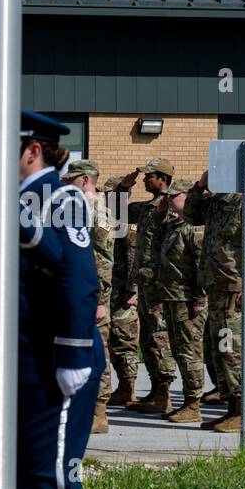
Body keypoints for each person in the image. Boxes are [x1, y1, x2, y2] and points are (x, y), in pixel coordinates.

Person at [14, 112, 104, 489]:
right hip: (25, 356)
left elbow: (77, 277)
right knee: (30, 474)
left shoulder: (62, 199)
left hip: (57, 357)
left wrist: (72, 351)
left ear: (33, 150)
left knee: (51, 474)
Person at [185, 169, 245, 431]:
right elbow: (190, 215)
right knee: (220, 349)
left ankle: (243, 414)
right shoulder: (216, 203)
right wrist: (199, 185)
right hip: (216, 289)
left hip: (236, 293)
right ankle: (232, 409)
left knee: (235, 350)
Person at [119, 157, 177, 414]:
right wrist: (123, 188)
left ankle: (165, 392)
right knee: (148, 336)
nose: (144, 179)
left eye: (149, 176)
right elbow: (119, 212)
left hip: (160, 283)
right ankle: (155, 389)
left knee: (159, 335)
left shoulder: (170, 206)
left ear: (162, 179)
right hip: (145, 282)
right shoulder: (148, 207)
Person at [61, 160, 113, 433]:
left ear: (84, 181)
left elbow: (104, 260)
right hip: (81, 292)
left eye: (70, 181)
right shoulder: (77, 209)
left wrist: (101, 300)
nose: (65, 186)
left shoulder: (98, 212)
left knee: (98, 351)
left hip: (94, 295)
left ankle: (99, 413)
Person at [153, 179, 207, 423]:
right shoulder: (175, 225)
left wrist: (199, 298)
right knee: (178, 350)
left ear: (186, 196)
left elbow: (201, 266)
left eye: (173, 196)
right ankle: (187, 400)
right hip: (173, 297)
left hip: (187, 299)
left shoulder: (194, 228)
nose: (168, 200)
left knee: (190, 351)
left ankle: (193, 403)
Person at [104, 176, 141, 407]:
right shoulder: (110, 219)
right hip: (111, 289)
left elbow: (132, 258)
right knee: (114, 340)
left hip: (122, 291)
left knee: (124, 339)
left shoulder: (126, 221)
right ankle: (123, 386)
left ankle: (128, 387)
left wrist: (132, 289)